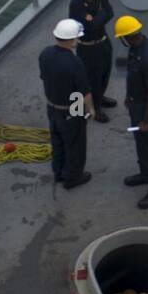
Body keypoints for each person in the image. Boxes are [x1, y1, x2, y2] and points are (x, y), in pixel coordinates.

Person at [115, 15, 148, 209]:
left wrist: (146, 121)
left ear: (128, 36)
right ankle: (146, 173)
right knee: (141, 143)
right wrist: (129, 98)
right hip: (138, 105)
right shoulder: (136, 49)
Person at [39, 18, 93, 190]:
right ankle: (73, 177)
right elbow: (84, 93)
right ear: (72, 40)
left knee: (58, 141)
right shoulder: (74, 62)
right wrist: (91, 110)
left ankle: (58, 172)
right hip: (73, 107)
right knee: (75, 144)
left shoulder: (45, 53)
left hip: (52, 105)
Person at [69, 0, 117, 123]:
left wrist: (97, 18)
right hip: (88, 47)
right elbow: (91, 26)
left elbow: (109, 13)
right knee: (93, 78)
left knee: (104, 72)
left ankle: (100, 96)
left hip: (103, 41)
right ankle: (95, 108)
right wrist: (99, 18)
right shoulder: (76, 5)